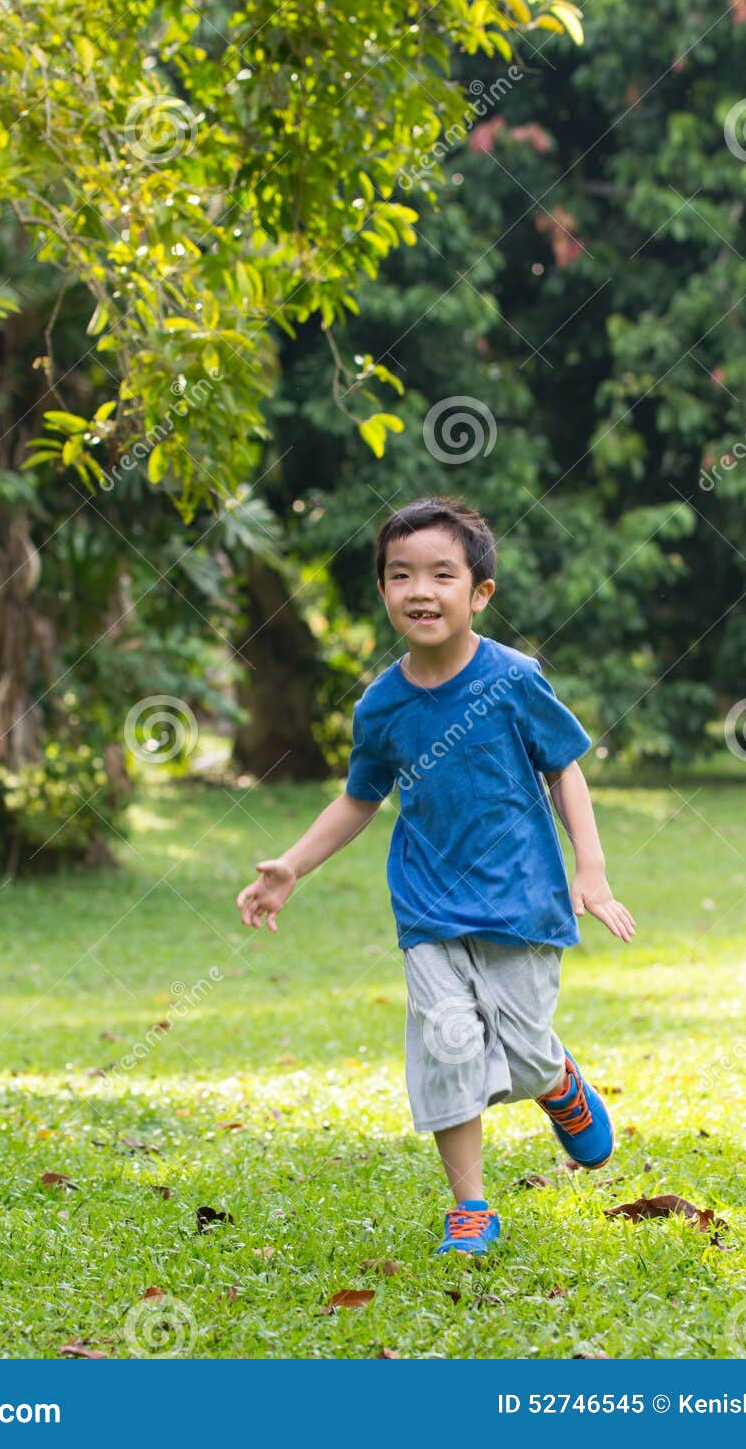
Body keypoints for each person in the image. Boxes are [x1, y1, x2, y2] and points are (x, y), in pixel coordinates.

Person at [237, 495, 635, 1256]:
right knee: (448, 1045)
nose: (420, 590)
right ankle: (471, 1209)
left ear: (479, 592)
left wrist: (592, 867)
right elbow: (360, 798)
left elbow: (565, 769)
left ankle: (558, 1084)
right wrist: (291, 864)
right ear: (383, 590)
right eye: (399, 575)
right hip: (428, 905)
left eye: (441, 574)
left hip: (522, 899)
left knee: (522, 1053)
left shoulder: (514, 678)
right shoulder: (381, 704)